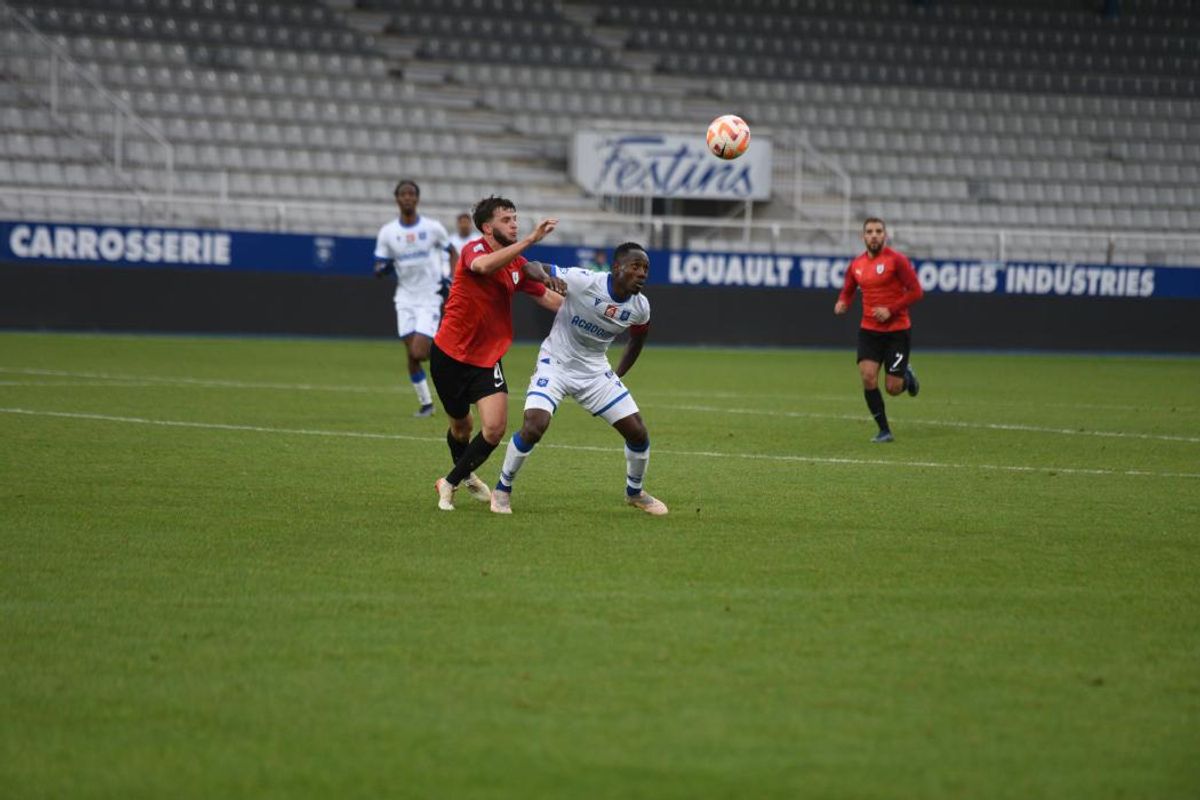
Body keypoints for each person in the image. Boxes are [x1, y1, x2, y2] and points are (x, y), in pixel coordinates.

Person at [490, 242, 667, 516]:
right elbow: (529, 267)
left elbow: (637, 340)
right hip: (556, 363)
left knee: (638, 433)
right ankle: (502, 489)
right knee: (535, 425)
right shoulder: (584, 281)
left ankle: (635, 493)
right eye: (635, 266)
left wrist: (616, 375)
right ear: (617, 267)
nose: (642, 273)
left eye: (645, 268)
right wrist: (548, 277)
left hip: (595, 372)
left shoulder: (640, 307)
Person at [430, 195, 567, 511]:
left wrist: (595, 308)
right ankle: (465, 477)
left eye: (516, 218)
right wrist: (532, 239)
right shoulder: (473, 251)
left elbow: (549, 299)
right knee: (461, 428)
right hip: (449, 355)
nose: (515, 224)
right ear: (487, 227)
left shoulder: (517, 266)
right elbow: (483, 267)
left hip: (487, 358)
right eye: (507, 219)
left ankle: (449, 481)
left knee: (494, 428)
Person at [834, 217, 924, 443]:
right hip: (869, 331)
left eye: (878, 231)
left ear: (885, 235)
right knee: (867, 377)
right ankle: (884, 430)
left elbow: (916, 291)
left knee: (893, 388)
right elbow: (848, 289)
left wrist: (891, 309)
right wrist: (842, 302)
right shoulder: (856, 265)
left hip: (897, 330)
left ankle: (906, 377)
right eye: (869, 231)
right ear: (863, 236)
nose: (874, 235)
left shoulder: (897, 261)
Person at [373, 179, 457, 417]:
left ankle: (455, 363)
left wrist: (451, 277)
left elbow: (452, 251)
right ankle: (427, 404)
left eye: (411, 194)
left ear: (417, 199)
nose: (408, 197)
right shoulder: (388, 232)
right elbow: (379, 264)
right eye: (403, 194)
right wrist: (382, 269)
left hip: (429, 296)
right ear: (397, 199)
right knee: (412, 354)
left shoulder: (432, 228)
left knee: (419, 352)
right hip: (404, 298)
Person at [442, 212, 475, 295]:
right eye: (462, 222)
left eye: (466, 222)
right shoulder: (450, 241)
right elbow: (445, 260)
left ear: (470, 224)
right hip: (454, 273)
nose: (464, 225)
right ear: (458, 224)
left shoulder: (476, 240)